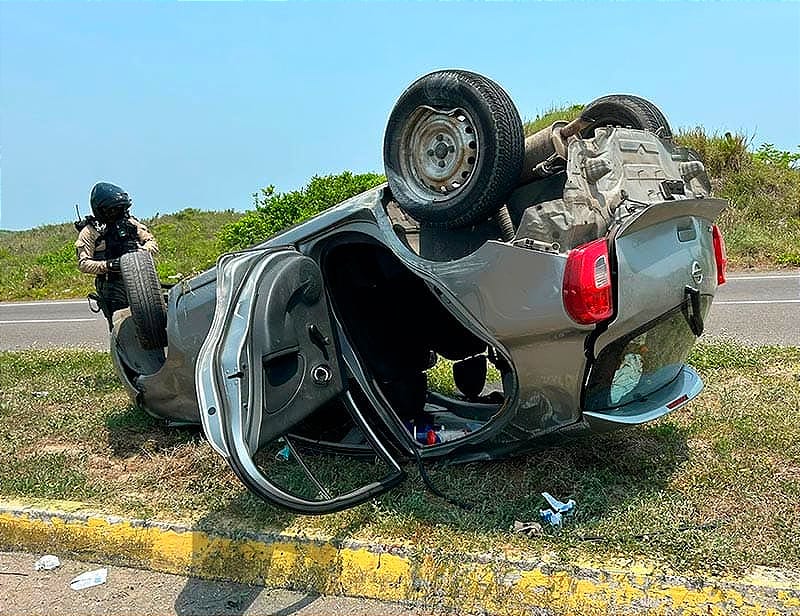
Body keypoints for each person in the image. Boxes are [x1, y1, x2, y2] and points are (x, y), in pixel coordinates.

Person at [75, 182, 159, 329]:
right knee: (122, 325)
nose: (117, 213)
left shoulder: (131, 223)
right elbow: (83, 263)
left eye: (120, 209)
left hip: (140, 275)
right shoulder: (90, 232)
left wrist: (141, 253)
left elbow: (151, 242)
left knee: (155, 315)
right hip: (112, 284)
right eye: (113, 210)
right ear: (102, 210)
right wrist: (109, 265)